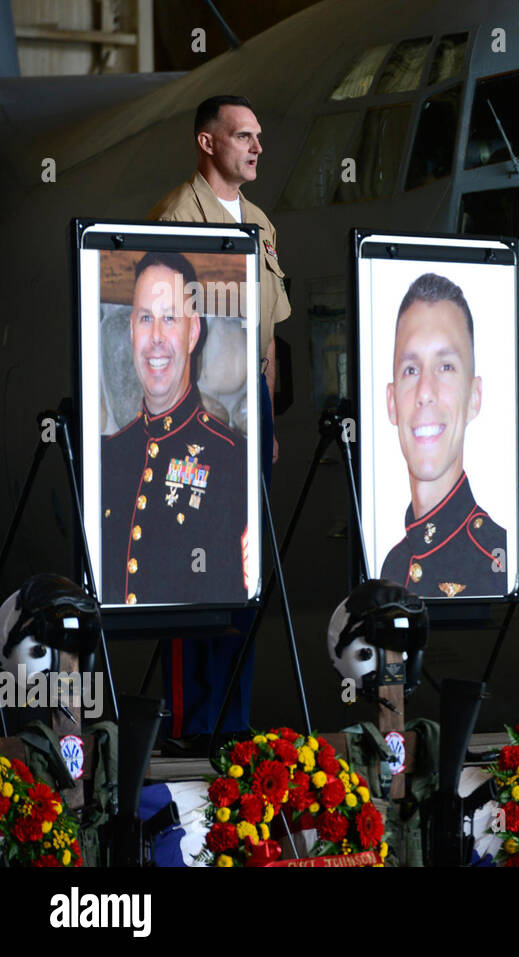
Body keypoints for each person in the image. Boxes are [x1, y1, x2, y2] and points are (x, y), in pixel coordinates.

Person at [101, 253, 251, 738]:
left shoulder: (230, 458)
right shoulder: (110, 456)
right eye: (146, 318)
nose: (157, 337)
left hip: (198, 723)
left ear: (194, 332)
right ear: (130, 331)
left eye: (171, 318)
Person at [148, 94, 289, 477]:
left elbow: (268, 335)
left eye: (258, 137)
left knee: (251, 528)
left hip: (252, 398)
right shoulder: (176, 218)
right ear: (207, 144)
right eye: (244, 137)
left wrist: (268, 423)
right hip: (197, 399)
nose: (257, 148)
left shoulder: (260, 223)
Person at [379, 273, 507, 597]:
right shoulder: (393, 566)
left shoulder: (498, 559)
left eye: (446, 367)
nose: (425, 392)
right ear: (392, 402)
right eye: (411, 369)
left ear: (475, 396)